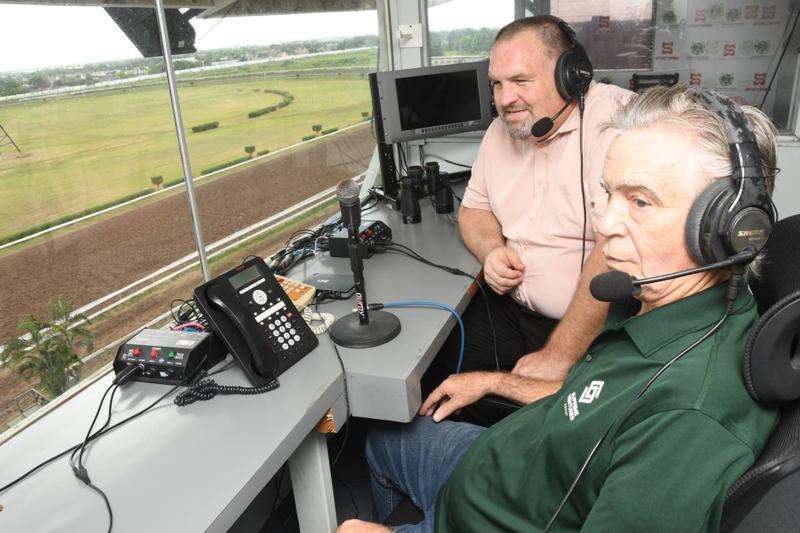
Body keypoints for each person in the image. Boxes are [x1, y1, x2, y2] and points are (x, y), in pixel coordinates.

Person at [338, 85, 780, 532]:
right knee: (381, 438)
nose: (606, 225)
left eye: (640, 201)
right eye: (609, 195)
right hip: (503, 466)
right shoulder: (660, 304)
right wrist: (497, 382)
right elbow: (596, 403)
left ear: (730, 227)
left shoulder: (689, 423)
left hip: (490, 514)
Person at [424, 16, 633, 426]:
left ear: (571, 74)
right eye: (497, 84)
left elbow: (617, 249)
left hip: (596, 329)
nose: (505, 99)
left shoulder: (620, 125)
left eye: (520, 81)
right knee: (439, 377)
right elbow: (474, 209)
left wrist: (559, 355)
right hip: (513, 309)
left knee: (547, 423)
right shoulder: (502, 132)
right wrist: (492, 250)